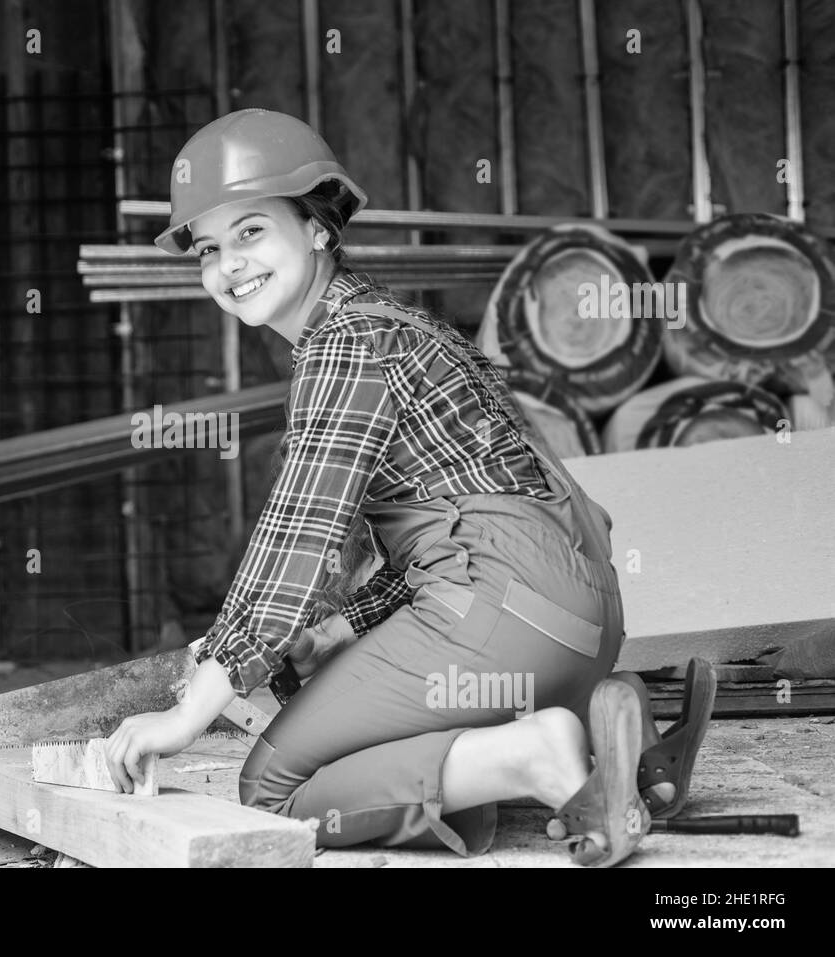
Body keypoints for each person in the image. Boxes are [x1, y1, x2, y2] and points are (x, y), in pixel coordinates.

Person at [105, 109, 713, 866]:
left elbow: (298, 534)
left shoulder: (345, 343)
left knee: (275, 788)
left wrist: (190, 707)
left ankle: (540, 754)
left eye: (251, 232)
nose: (228, 266)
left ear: (319, 228)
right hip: (576, 622)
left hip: (502, 618)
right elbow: (461, 525)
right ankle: (612, 739)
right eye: (208, 249)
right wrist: (339, 630)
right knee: (351, 705)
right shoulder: (396, 324)